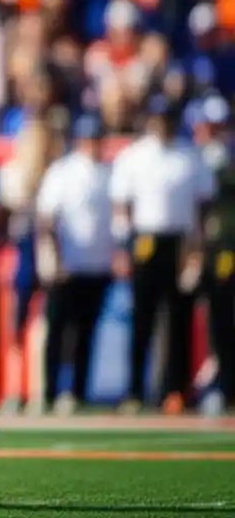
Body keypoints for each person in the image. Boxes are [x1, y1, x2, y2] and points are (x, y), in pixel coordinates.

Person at [111, 97, 215, 414]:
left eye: (167, 118)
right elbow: (121, 205)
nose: (163, 124)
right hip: (145, 240)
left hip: (179, 242)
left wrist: (196, 252)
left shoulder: (190, 156)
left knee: (179, 319)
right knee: (142, 318)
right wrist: (123, 248)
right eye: (158, 118)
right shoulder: (135, 155)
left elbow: (202, 208)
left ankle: (175, 390)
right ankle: (134, 391)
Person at [34, 114, 114, 414]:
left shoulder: (108, 173)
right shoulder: (64, 172)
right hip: (66, 266)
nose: (94, 145)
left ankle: (79, 392)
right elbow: (47, 220)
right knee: (58, 330)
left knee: (86, 332)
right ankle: (50, 392)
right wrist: (55, 259)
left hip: (97, 265)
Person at [194, 95, 235, 415]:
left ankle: (224, 382)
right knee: (217, 321)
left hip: (226, 248)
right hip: (213, 250)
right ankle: (220, 382)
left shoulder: (221, 157)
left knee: (224, 319)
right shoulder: (198, 157)